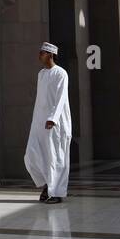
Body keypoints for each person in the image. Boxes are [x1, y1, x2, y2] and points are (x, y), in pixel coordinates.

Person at [24, 42, 72, 203]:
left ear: (50, 55)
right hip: (39, 122)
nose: (39, 56)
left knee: (56, 157)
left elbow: (61, 98)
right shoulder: (41, 74)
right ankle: (46, 185)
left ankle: (56, 193)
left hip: (56, 123)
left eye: (42, 53)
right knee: (31, 155)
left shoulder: (61, 73)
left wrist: (53, 118)